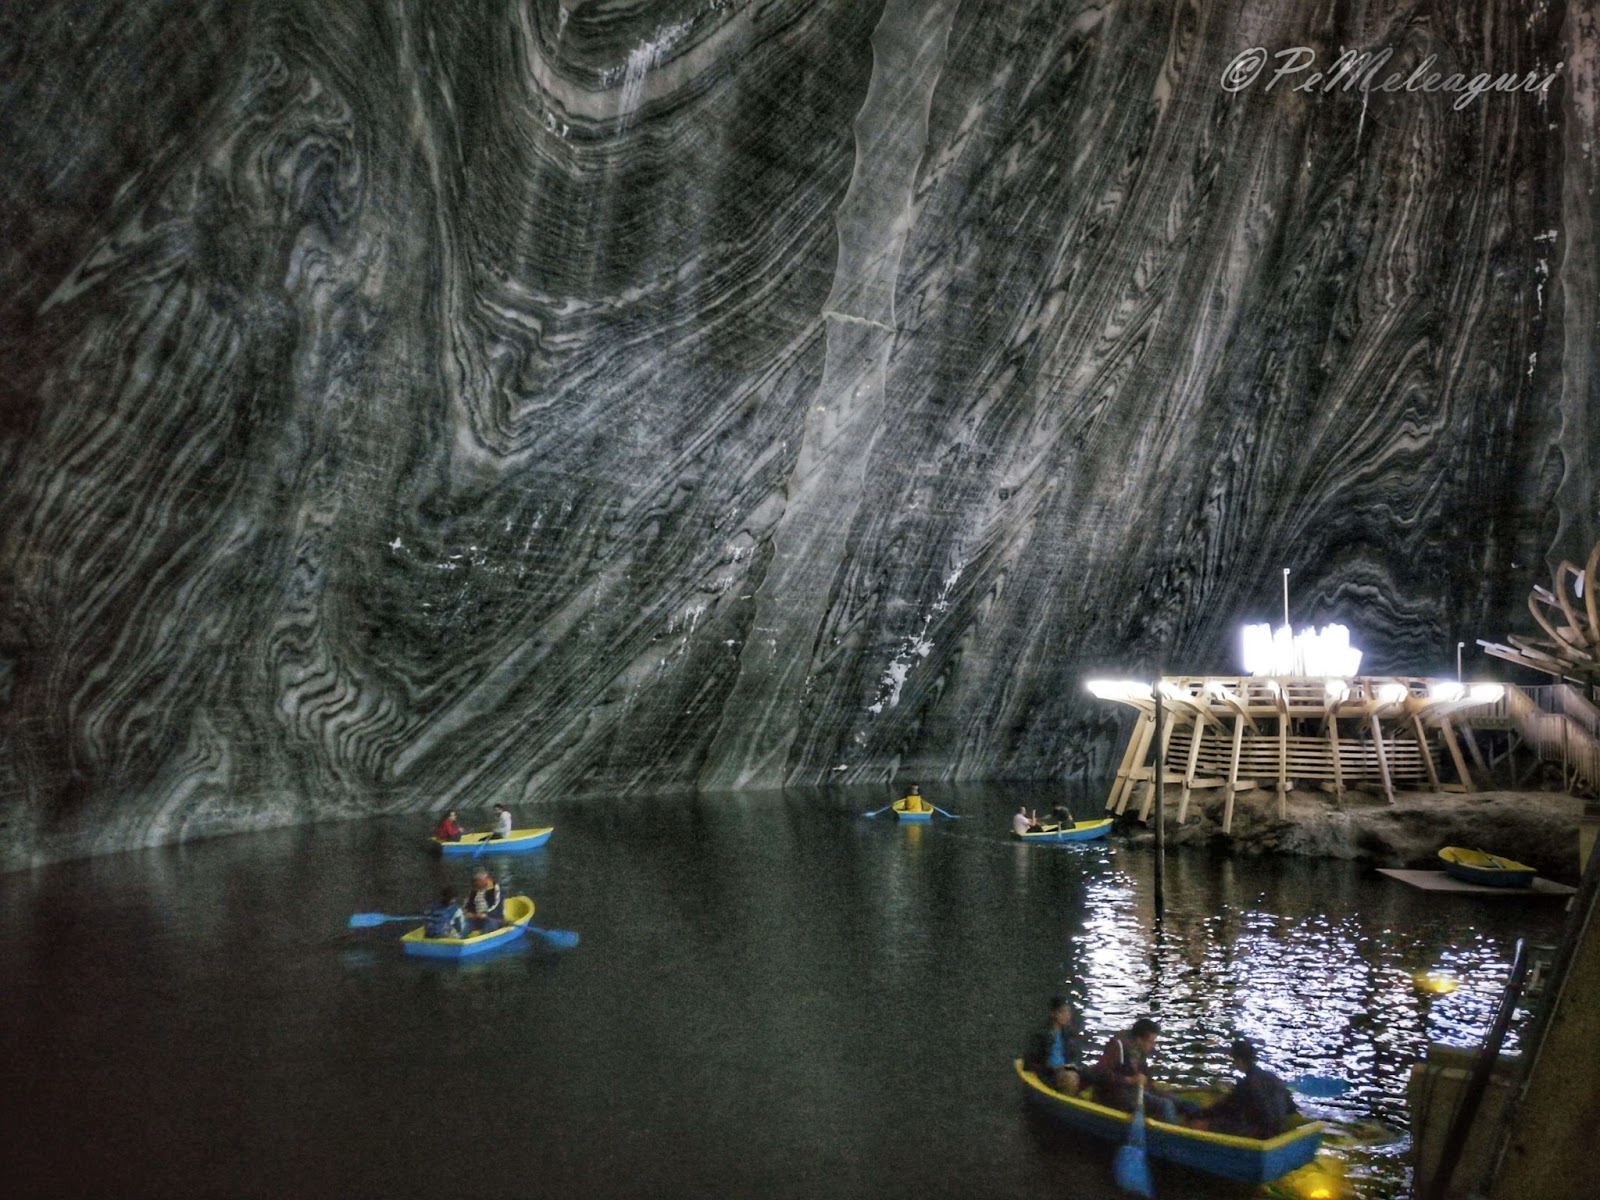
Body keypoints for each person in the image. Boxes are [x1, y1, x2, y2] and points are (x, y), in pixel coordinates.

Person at [1088, 1017, 1195, 1124]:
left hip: (1136, 1092)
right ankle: (1174, 1135)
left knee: (1183, 1104)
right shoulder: (1118, 1047)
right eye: (1151, 1042)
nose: (1153, 1046)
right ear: (1139, 1039)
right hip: (1115, 1095)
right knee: (1166, 1105)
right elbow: (1099, 1073)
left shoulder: (1140, 1052)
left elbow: (1147, 1081)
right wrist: (1129, 1080)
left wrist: (1160, 1091)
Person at [1192, 1040, 1297, 1139]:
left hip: (1261, 1134)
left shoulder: (1246, 1085)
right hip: (1278, 1130)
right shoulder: (1273, 1078)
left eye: (1234, 1060)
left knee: (1205, 1124)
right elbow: (1291, 1108)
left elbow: (1224, 1108)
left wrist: (1198, 1114)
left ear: (1239, 1061)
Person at [1025, 996, 1087, 1094]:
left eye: (1068, 1012)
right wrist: (1052, 1068)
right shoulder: (1041, 1034)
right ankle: (1068, 1103)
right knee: (1071, 1078)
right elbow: (1029, 1063)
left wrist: (1073, 1065)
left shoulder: (1068, 1034)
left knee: (1093, 1074)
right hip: (1049, 1074)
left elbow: (1074, 1056)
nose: (1067, 1016)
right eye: (1062, 1012)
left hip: (1065, 1070)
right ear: (1053, 1014)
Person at [463, 868, 505, 934]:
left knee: (489, 926)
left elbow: (496, 907)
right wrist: (468, 912)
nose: (476, 884)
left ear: (486, 879)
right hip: (477, 918)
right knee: (464, 924)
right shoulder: (475, 890)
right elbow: (470, 904)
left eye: (478, 882)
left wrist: (485, 914)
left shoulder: (496, 890)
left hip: (493, 919)